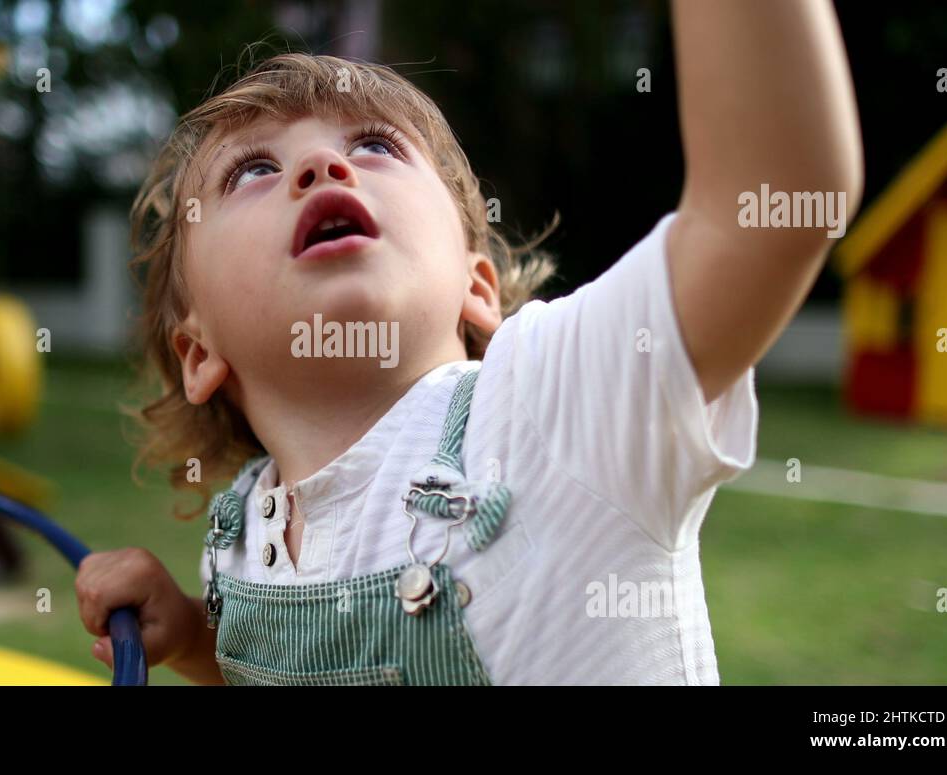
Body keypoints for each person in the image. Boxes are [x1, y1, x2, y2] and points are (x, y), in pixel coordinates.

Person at [74, 0, 863, 685]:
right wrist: (189, 636)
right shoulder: (241, 539)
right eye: (251, 171)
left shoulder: (546, 401)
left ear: (476, 287)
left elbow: (767, 206)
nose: (321, 165)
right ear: (198, 353)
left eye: (376, 146)